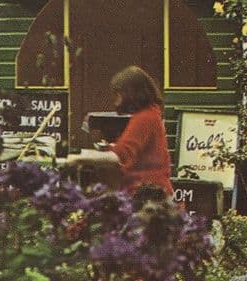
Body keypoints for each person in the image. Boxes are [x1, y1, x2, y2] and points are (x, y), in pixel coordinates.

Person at [67, 66, 173, 196]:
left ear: (131, 93)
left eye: (119, 94)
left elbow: (118, 156)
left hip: (147, 196)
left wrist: (78, 158)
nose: (116, 100)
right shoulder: (150, 114)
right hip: (151, 191)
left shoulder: (144, 118)